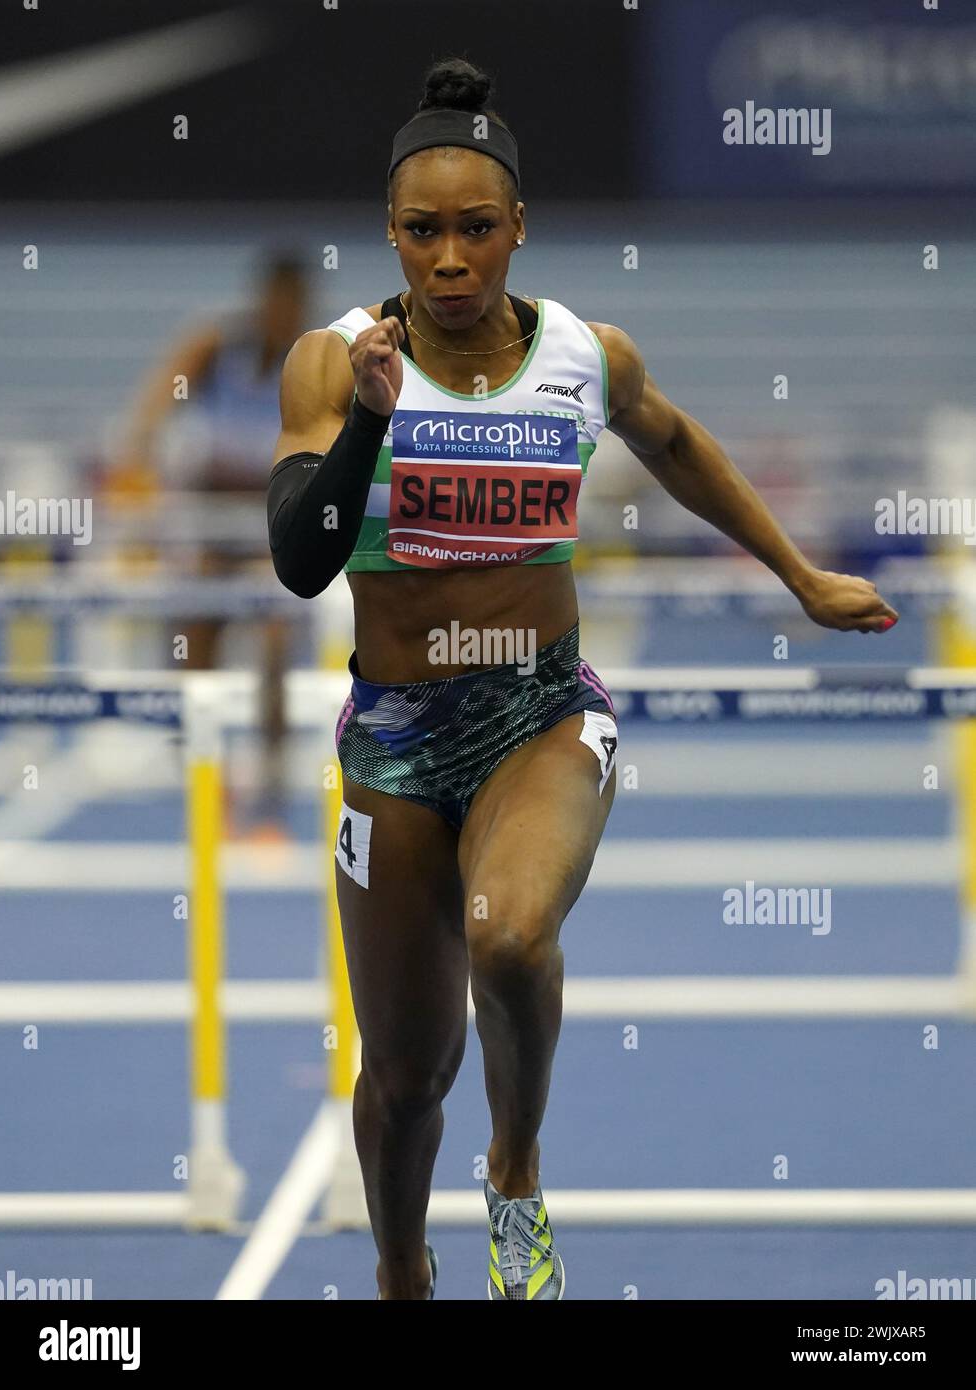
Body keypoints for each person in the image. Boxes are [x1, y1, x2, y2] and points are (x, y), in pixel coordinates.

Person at [267, 58, 898, 1300]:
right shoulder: (334, 364)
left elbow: (676, 442)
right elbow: (300, 561)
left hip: (540, 714)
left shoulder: (583, 356)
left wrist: (800, 578)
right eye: (422, 232)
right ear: (390, 231)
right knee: (404, 1079)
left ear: (519, 225)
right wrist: (371, 422)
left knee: (508, 937)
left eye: (476, 229)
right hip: (392, 740)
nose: (451, 260)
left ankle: (514, 1175)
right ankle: (401, 1271)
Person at [112, 251, 310, 834]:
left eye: (294, 307)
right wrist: (138, 469)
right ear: (262, 300)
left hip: (270, 526)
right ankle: (209, 782)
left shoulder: (313, 360)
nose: (283, 316)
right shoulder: (214, 347)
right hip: (210, 522)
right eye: (276, 303)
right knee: (192, 639)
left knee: (274, 642)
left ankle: (270, 790)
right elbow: (149, 413)